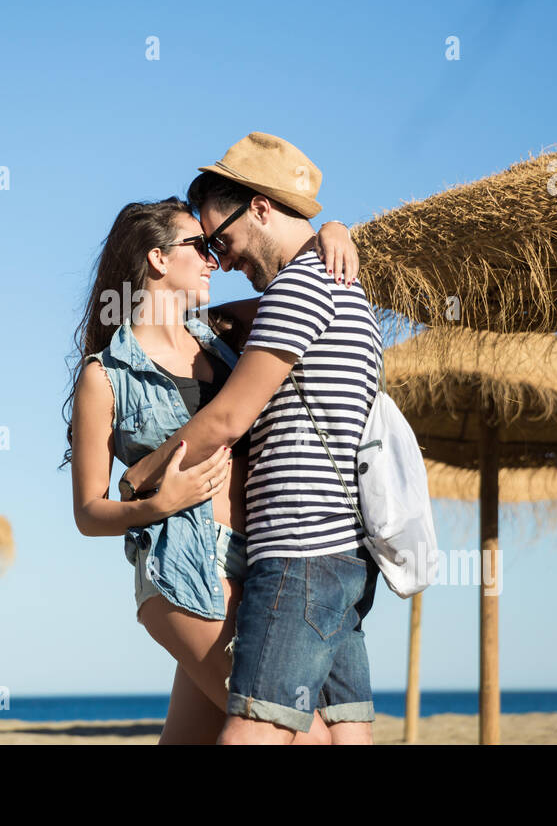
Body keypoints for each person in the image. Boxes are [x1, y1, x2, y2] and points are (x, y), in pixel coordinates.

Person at [64, 192, 360, 744]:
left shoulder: (222, 334)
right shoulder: (104, 377)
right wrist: (154, 505)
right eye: (200, 247)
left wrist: (332, 232)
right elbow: (87, 512)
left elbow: (300, 285)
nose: (215, 260)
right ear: (156, 259)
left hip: (260, 561)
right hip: (183, 571)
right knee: (304, 735)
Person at [120, 133, 383, 745]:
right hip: (341, 551)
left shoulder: (297, 291)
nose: (221, 257)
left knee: (254, 726)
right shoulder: (331, 281)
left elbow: (227, 421)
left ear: (260, 207)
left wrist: (142, 476)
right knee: (344, 731)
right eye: (204, 247)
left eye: (222, 239)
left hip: (297, 550)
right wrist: (330, 230)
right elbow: (211, 319)